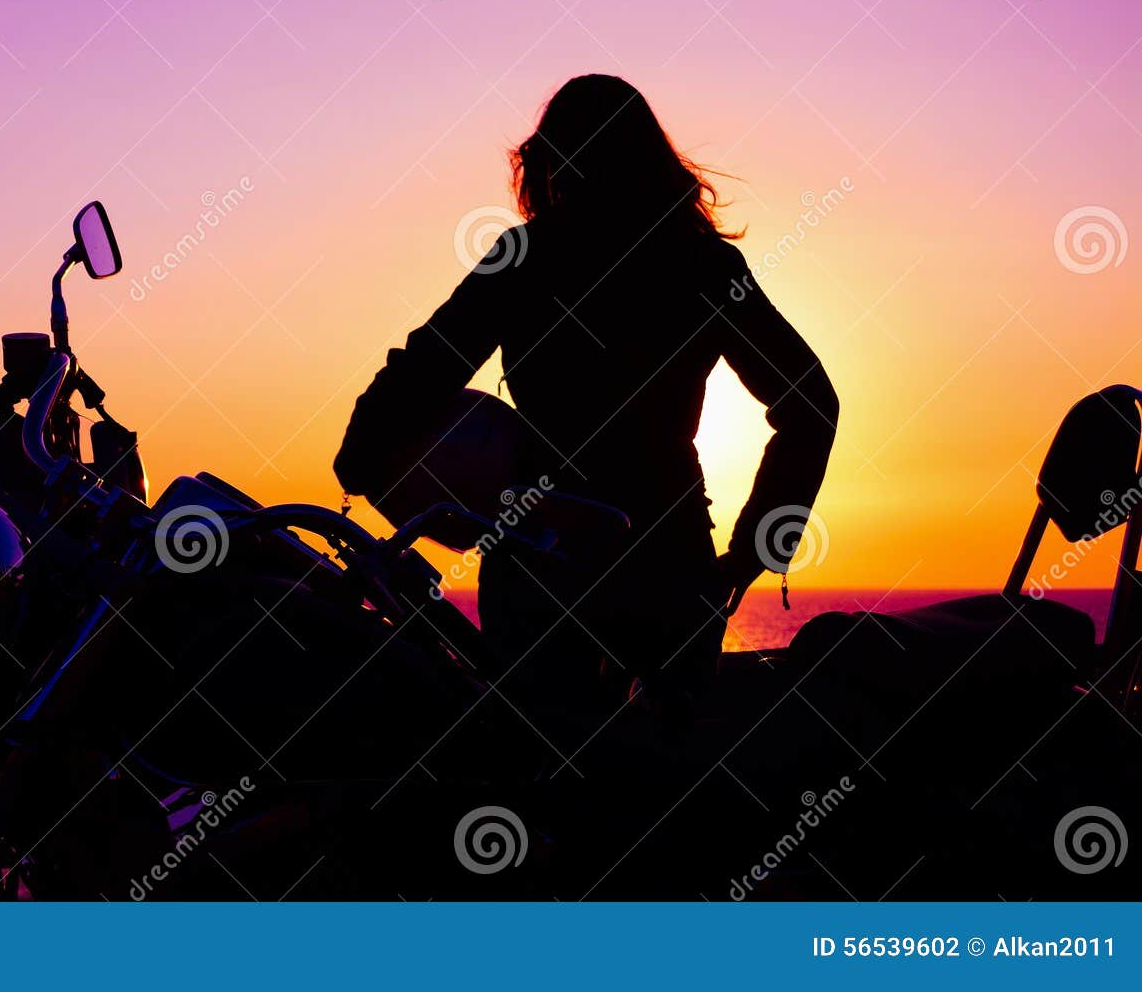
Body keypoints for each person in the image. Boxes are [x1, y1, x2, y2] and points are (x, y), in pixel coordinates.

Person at [333, 74, 838, 723]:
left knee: (542, 763)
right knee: (666, 766)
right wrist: (747, 558)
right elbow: (811, 406)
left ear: (550, 162)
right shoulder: (704, 265)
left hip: (542, 556)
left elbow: (425, 369)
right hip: (669, 558)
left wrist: (361, 455)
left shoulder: (527, 258)